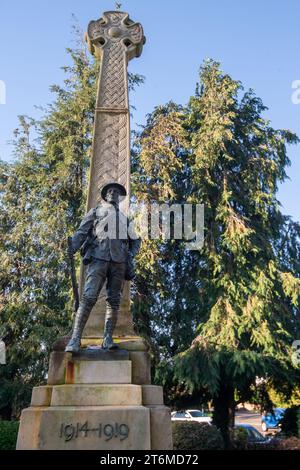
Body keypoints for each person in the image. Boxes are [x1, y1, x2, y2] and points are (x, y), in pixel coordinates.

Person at [65, 182, 140, 353]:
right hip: (98, 257)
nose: (113, 193)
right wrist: (73, 247)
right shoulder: (95, 212)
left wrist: (130, 254)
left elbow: (136, 240)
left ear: (120, 198)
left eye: (117, 192)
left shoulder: (125, 218)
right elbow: (82, 231)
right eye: (110, 191)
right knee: (89, 297)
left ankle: (107, 338)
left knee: (114, 301)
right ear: (106, 195)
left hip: (119, 262)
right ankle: (75, 339)